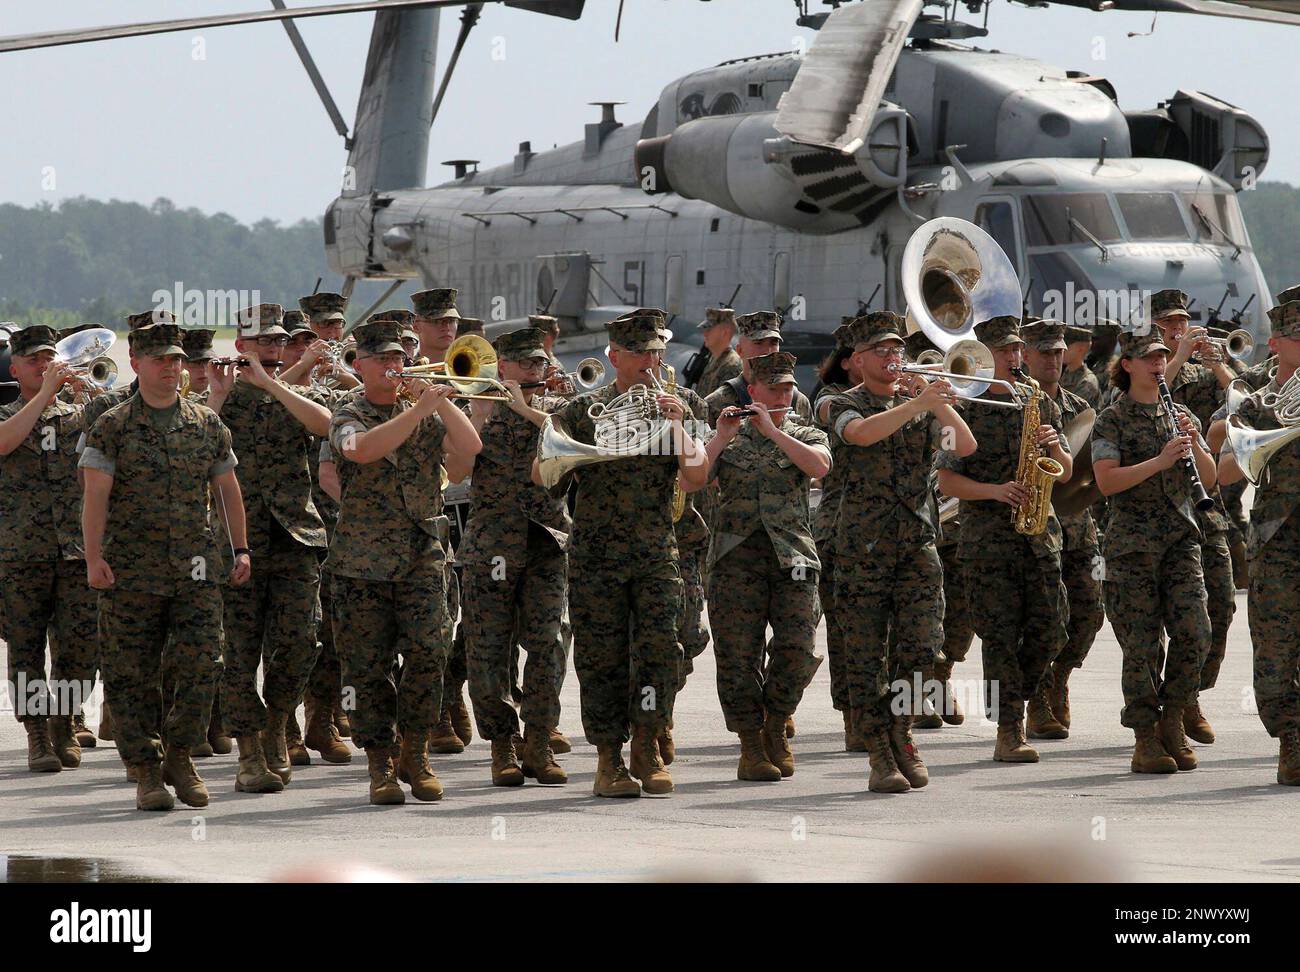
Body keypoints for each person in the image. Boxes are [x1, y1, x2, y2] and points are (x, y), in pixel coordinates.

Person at [535, 311, 708, 797]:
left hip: (656, 552)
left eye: (656, 351)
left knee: (660, 653)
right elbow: (543, 473)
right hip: (596, 555)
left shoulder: (682, 404)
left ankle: (647, 746)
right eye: (639, 352)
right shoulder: (582, 410)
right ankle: (609, 757)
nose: (651, 360)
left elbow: (697, 477)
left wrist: (677, 426)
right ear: (614, 356)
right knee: (601, 658)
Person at [80, 322, 252, 811]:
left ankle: (180, 755)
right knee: (130, 672)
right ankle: (146, 771)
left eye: (176, 359)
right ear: (136, 363)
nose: (171, 368)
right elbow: (95, 497)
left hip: (196, 568)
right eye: (159, 360)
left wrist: (241, 549)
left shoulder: (205, 423)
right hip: (131, 571)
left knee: (203, 663)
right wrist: (93, 557)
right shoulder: (112, 425)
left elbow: (228, 490)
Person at [328, 319, 481, 805]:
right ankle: (381, 763)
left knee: (429, 655)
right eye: (382, 359)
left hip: (421, 558)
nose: (394, 366)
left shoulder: (424, 413)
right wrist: (419, 410)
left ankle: (415, 752)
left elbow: (470, 452)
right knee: (367, 667)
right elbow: (362, 450)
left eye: (399, 358)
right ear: (360, 365)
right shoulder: (347, 412)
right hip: (361, 564)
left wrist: (443, 403)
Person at [826, 313, 977, 791]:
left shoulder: (919, 403)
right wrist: (917, 404)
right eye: (882, 351)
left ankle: (901, 733)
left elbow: (964, 446)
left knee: (920, 647)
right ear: (858, 359)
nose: (893, 359)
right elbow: (860, 434)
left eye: (897, 351)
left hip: (916, 545)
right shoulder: (840, 403)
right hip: (863, 548)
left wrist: (938, 404)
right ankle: (878, 752)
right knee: (865, 654)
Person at [204, 303, 333, 792]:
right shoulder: (218, 398)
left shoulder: (294, 394)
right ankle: (249, 750)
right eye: (263, 342)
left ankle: (277, 721)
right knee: (238, 652)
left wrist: (274, 384)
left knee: (302, 641)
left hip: (295, 536)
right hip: (237, 542)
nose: (274, 348)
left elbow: (325, 426)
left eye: (279, 340)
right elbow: (194, 444)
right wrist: (221, 393)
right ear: (241, 346)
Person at [935, 315, 1072, 763]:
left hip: (1040, 536)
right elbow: (947, 482)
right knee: (999, 637)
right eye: (1004, 351)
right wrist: (994, 491)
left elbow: (1065, 472)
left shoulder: (1035, 398)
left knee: (1052, 629)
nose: (1014, 357)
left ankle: (1020, 698)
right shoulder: (964, 408)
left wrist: (1054, 445)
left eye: (1016, 349)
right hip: (987, 540)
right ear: (982, 357)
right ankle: (1008, 727)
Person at [445, 326, 569, 786]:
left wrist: (525, 409)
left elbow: (565, 461)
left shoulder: (558, 411)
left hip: (545, 544)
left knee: (546, 645)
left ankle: (539, 740)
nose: (535, 370)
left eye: (540, 362)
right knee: (488, 649)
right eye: (526, 363)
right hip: (490, 546)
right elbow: (456, 472)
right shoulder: (473, 412)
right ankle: (502, 745)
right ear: (502, 367)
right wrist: (478, 418)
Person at [1091, 329, 1214, 774]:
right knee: (1141, 645)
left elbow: (1210, 478)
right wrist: (1160, 461)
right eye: (1148, 358)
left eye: (1162, 356)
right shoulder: (1111, 419)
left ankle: (1173, 717)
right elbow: (1107, 481)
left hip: (1180, 539)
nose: (1159, 364)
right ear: (1127, 365)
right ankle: (1145, 737)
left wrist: (1194, 444)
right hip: (1132, 546)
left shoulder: (1178, 412)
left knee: (1196, 631)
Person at [704, 351, 828, 782]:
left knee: (798, 647)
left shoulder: (804, 432)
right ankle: (751, 744)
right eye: (773, 389)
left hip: (792, 556)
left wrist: (774, 432)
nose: (782, 396)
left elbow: (819, 466)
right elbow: (691, 478)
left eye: (788, 389)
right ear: (752, 390)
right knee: (737, 656)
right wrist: (720, 437)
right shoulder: (728, 433)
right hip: (734, 558)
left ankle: (776, 723)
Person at [0, 325, 99, 772]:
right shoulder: (7, 414)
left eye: (49, 358)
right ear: (15, 369)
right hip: (21, 554)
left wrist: (84, 395)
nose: (44, 366)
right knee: (25, 649)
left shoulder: (76, 415)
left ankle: (65, 720)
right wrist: (45, 395)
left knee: (81, 647)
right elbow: (5, 443)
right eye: (34, 361)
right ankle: (37, 733)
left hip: (74, 551)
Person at [1218, 298, 1300, 785]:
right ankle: (1290, 739)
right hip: (1276, 538)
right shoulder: (1256, 402)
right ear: (1276, 344)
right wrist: (1273, 437)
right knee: (1275, 646)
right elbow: (1227, 469)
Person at [1151, 289, 1236, 744]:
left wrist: (1217, 362)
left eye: (1182, 321)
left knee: (1220, 605)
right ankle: (1165, 708)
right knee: (1163, 618)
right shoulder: (1138, 366)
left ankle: (1188, 696)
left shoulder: (1205, 372)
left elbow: (1245, 401)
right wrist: (1178, 355)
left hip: (1206, 502)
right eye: (1169, 323)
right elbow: (1144, 397)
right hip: (1158, 508)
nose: (1178, 328)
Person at [1021, 320, 1104, 732]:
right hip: (1033, 529)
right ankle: (1036, 698)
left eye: (1058, 352)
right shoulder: (1014, 403)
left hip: (1078, 526)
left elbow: (1090, 468)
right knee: (1043, 616)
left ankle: (1060, 677)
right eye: (1044, 352)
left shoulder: (1079, 406)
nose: (1053, 359)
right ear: (1025, 355)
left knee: (1090, 610)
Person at [411, 288, 474, 751]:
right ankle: (438, 709)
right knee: (438, 616)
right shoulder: (404, 372)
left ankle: (454, 685)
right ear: (417, 326)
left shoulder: (471, 366)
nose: (446, 327)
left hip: (475, 504)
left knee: (479, 615)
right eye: (436, 321)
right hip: (429, 510)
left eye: (451, 320)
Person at [812, 321, 864, 747]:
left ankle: (901, 710)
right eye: (877, 354)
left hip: (900, 532)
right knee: (848, 630)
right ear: (848, 362)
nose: (894, 362)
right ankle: (854, 716)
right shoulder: (831, 398)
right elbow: (854, 427)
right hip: (842, 527)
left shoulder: (904, 398)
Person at [705, 311, 813, 426]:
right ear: (740, 350)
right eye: (759, 343)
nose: (768, 351)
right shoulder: (716, 403)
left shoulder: (798, 402)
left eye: (773, 343)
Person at [692, 307, 742, 398]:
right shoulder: (713, 360)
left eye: (709, 329)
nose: (705, 334)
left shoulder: (732, 365)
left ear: (725, 332)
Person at [1061, 322, 1101, 408]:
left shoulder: (1087, 382)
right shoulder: (1065, 372)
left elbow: (1072, 412)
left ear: (1080, 349)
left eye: (1067, 346)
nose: (1062, 350)